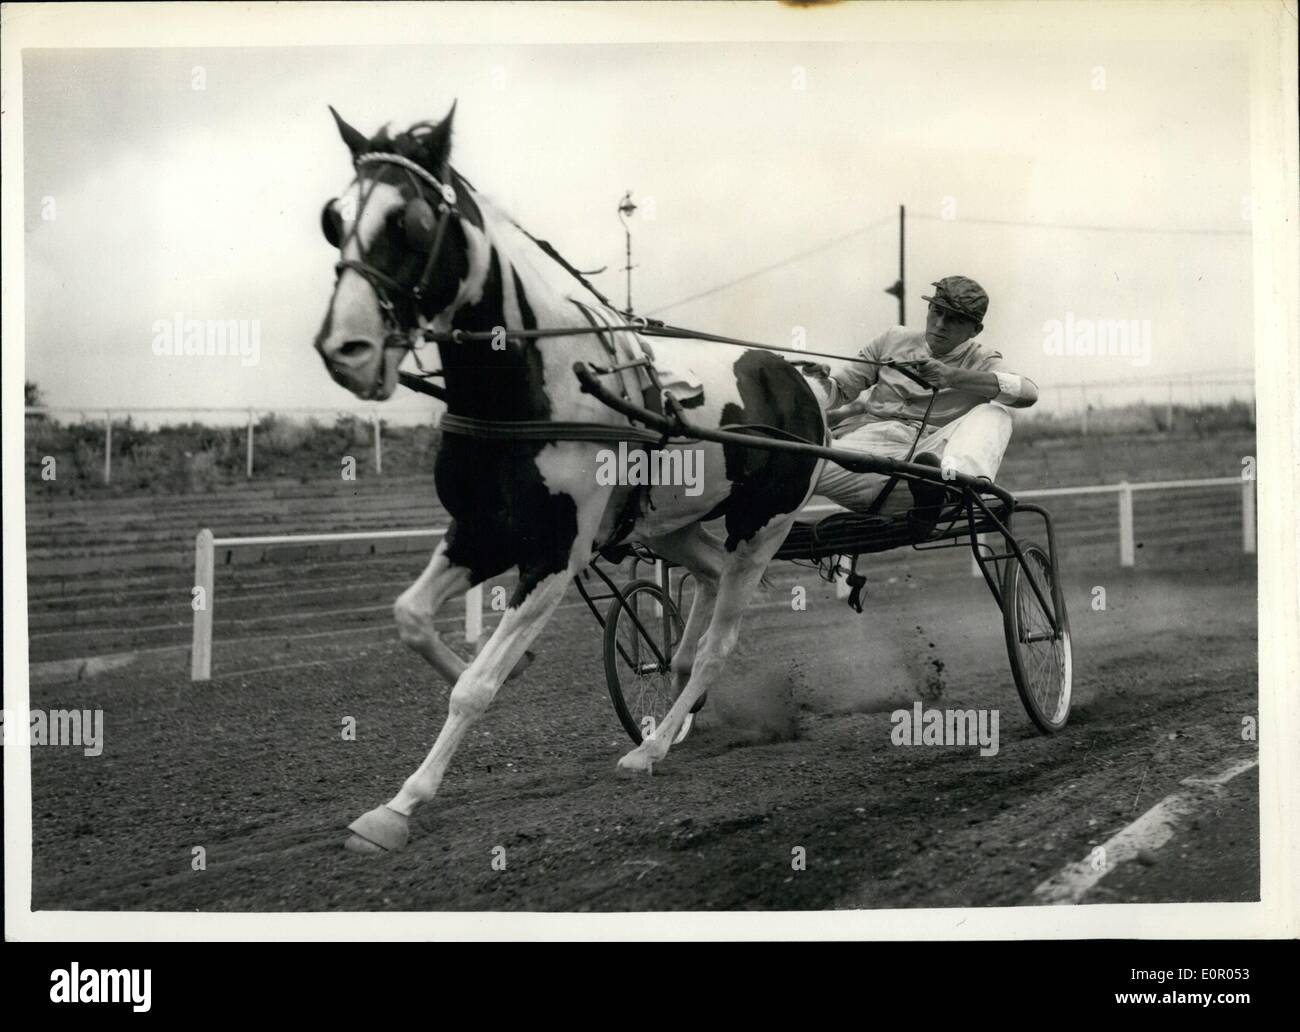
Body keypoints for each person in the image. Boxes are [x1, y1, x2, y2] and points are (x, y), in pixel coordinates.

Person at [812, 275, 1038, 530]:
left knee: (996, 413)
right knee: (792, 464)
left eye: (953, 319)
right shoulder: (892, 339)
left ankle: (950, 491)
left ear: (975, 330)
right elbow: (838, 391)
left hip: (930, 460)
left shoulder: (982, 359)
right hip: (866, 449)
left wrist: (952, 376)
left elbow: (1028, 393)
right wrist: (816, 381)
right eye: (936, 312)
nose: (940, 324)